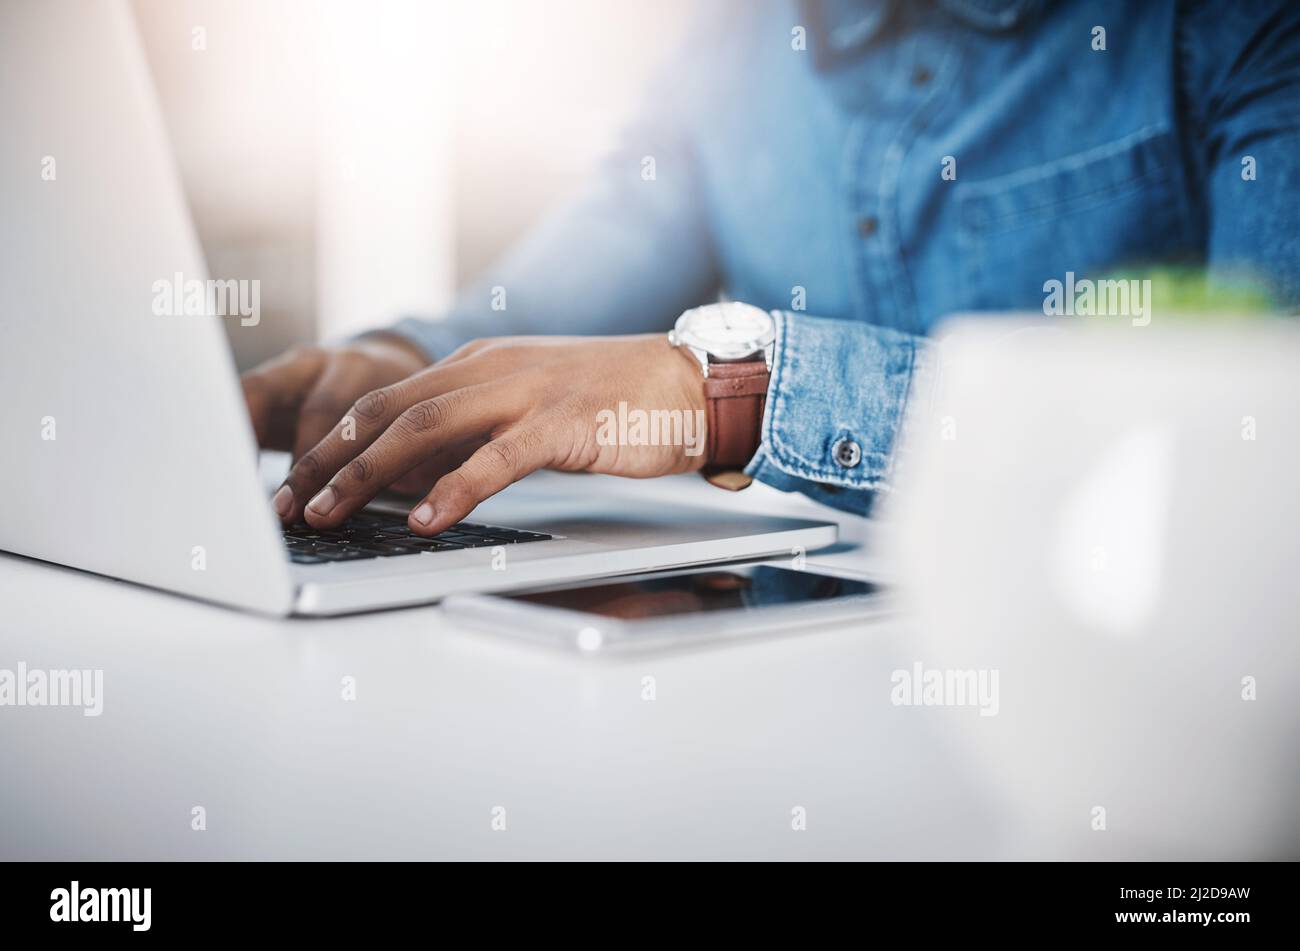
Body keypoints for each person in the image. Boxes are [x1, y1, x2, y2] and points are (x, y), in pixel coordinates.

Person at [241, 0, 1300, 536]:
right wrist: (396, 363)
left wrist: (727, 391)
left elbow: (1262, 441)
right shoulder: (731, 48)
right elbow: (599, 248)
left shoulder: (1240, 27)